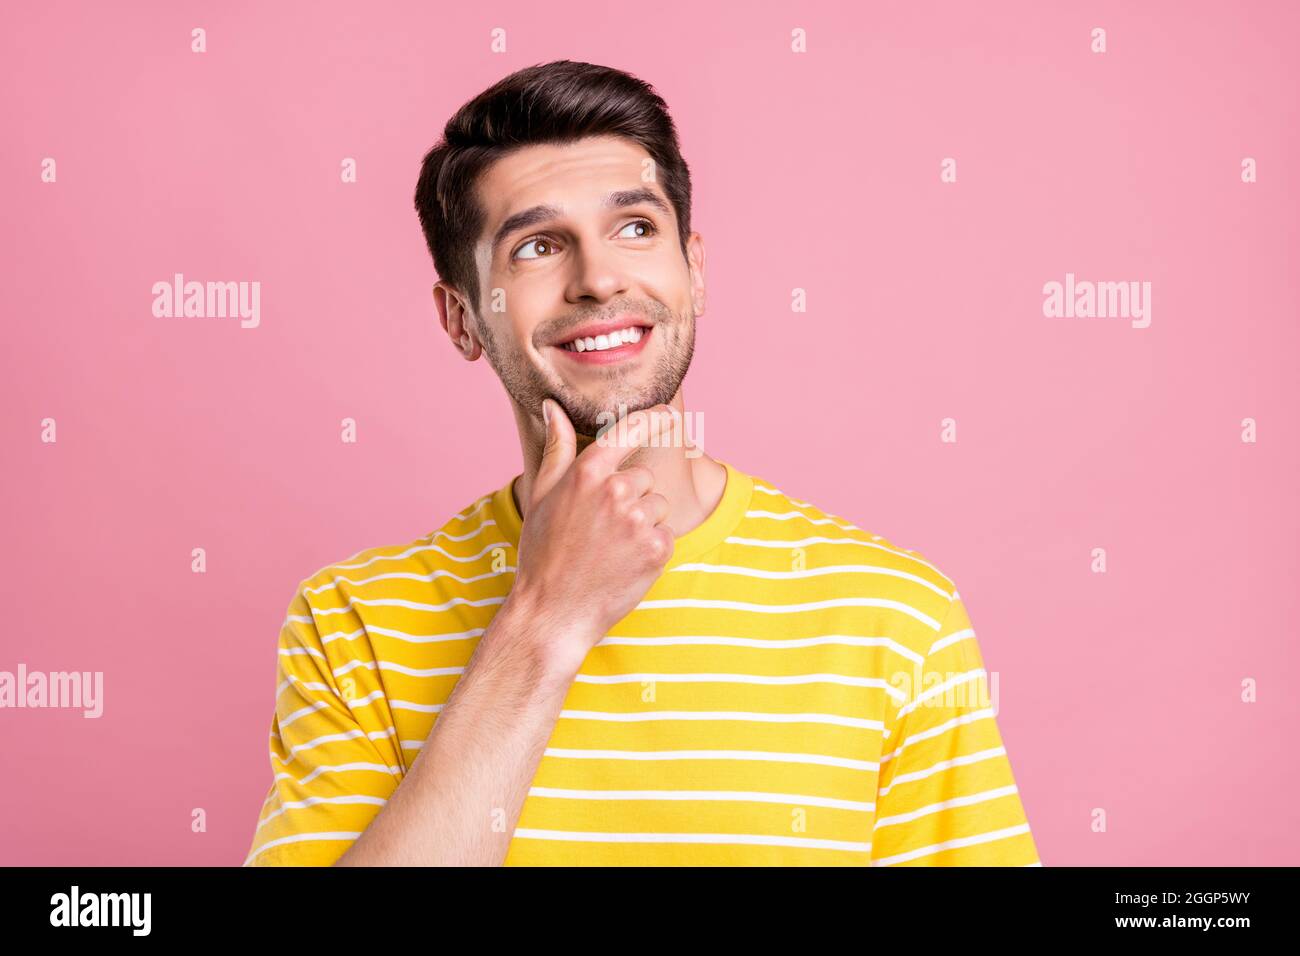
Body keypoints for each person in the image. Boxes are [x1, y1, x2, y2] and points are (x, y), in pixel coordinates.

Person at [243, 60, 1041, 867]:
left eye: (635, 229)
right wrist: (545, 621)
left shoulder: (895, 616)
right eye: (537, 246)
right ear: (460, 317)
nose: (598, 279)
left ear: (694, 271)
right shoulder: (352, 624)